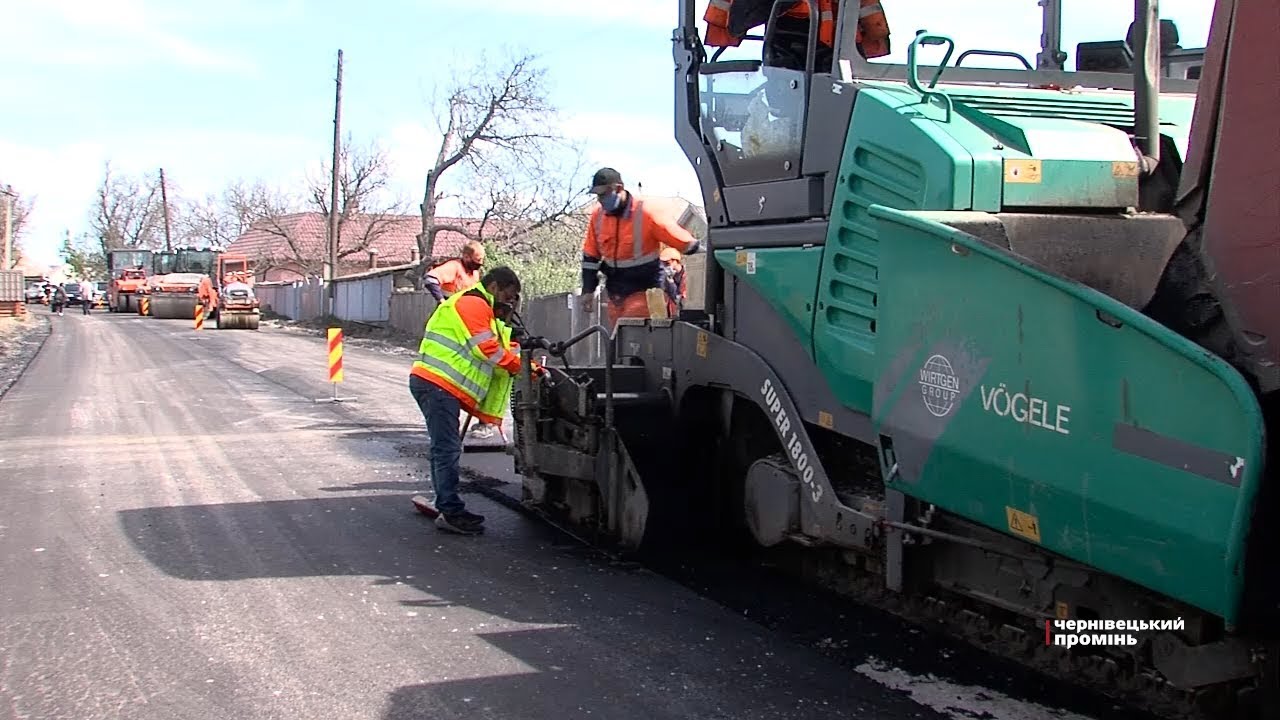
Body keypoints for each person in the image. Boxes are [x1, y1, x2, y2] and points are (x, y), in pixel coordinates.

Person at [409, 266, 524, 535]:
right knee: (447, 448)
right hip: (436, 384)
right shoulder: (473, 303)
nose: (509, 303)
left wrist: (521, 348)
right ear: (494, 287)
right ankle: (450, 511)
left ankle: (444, 501)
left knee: (444, 447)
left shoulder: (479, 306)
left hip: (438, 384)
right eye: (507, 296)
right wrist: (523, 368)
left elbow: (499, 344)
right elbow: (488, 349)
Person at [579, 168, 701, 328]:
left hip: (645, 291)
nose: (601, 200)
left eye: (604, 194)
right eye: (598, 195)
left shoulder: (646, 212)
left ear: (619, 188)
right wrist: (588, 290)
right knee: (619, 338)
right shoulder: (598, 216)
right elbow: (590, 257)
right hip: (616, 293)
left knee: (635, 334)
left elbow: (680, 240)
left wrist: (703, 250)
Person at [659, 247, 688, 317]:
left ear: (676, 261)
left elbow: (679, 300)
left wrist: (671, 283)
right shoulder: (666, 278)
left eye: (667, 263)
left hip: (683, 316)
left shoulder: (687, 276)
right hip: (670, 316)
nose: (665, 267)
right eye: (663, 264)